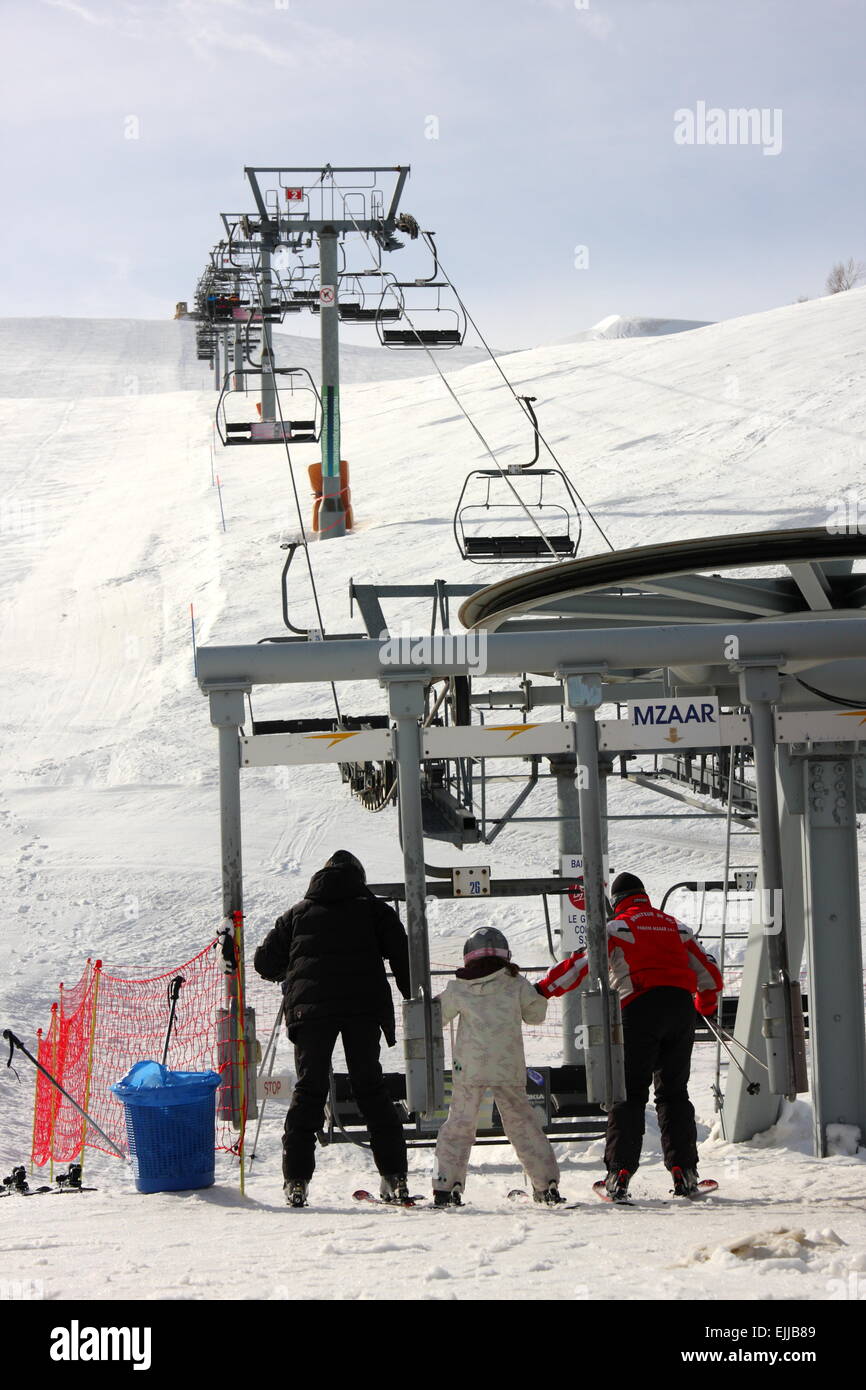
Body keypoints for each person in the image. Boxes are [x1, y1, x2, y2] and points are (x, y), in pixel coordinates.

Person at [536, 871, 722, 1201]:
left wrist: (542, 990)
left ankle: (618, 1175)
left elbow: (580, 964)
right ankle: (685, 1174)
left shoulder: (616, 927)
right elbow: (711, 976)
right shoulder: (677, 928)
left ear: (617, 902)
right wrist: (704, 1007)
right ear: (644, 896)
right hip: (680, 1010)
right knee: (674, 1093)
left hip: (637, 1009)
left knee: (630, 1093)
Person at [253, 850, 412, 1207]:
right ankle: (395, 1177)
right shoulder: (375, 911)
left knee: (310, 1090)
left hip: (311, 1011)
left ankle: (296, 1181)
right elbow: (403, 955)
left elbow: (264, 962)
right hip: (362, 1008)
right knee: (370, 1087)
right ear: (360, 878)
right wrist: (411, 995)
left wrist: (287, 971)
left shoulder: (297, 914)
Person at [433, 926, 564, 1207]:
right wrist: (537, 993)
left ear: (469, 956)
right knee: (524, 1125)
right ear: (506, 954)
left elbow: (436, 1017)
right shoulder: (516, 984)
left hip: (470, 1069)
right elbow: (536, 1015)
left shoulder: (459, 987)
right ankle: (546, 1185)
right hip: (508, 1067)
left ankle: (446, 1186)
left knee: (459, 1126)